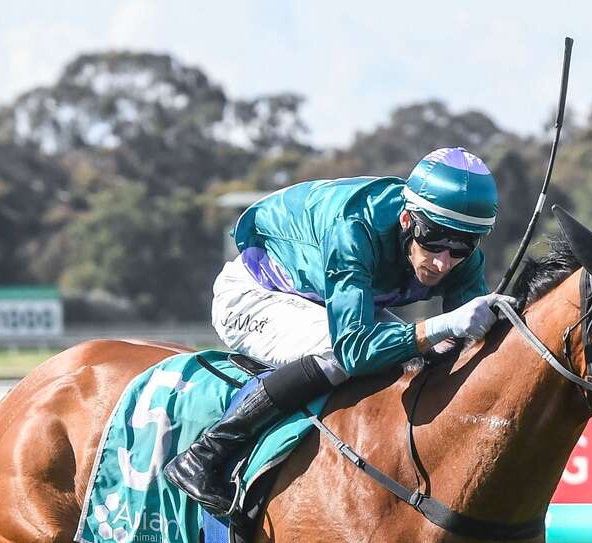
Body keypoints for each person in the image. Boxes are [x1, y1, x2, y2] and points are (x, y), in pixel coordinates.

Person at [163, 147, 502, 515]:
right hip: (255, 295)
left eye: (460, 248)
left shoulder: (462, 258)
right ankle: (206, 453)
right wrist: (442, 327)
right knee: (340, 355)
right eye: (433, 241)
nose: (442, 262)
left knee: (417, 354)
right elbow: (353, 349)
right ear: (407, 219)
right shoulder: (354, 227)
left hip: (325, 302)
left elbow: (470, 349)